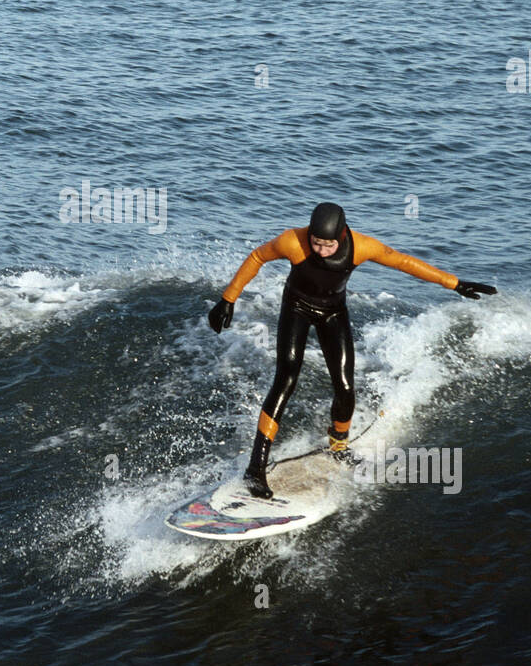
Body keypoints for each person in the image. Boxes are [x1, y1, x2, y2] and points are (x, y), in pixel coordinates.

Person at [208, 202, 496, 498]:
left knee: (345, 387)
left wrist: (456, 284)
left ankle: (338, 447)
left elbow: (403, 262)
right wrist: (228, 299)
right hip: (296, 307)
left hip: (333, 313)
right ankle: (255, 469)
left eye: (327, 245)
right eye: (316, 243)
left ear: (342, 235)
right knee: (286, 378)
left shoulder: (361, 246)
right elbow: (257, 257)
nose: (320, 250)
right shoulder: (292, 241)